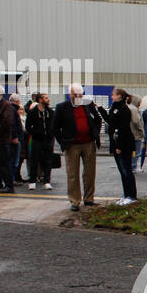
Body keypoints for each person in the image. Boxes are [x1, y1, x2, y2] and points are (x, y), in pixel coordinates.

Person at [52, 83, 103, 211]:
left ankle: (89, 198)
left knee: (90, 172)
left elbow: (97, 119)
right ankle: (75, 201)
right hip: (72, 145)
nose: (79, 97)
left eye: (81, 95)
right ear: (70, 95)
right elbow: (55, 127)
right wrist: (63, 142)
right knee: (73, 174)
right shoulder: (62, 107)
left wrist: (94, 134)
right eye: (76, 95)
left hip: (89, 143)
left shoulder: (88, 104)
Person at [104, 87, 140, 205]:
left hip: (123, 144)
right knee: (122, 170)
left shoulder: (124, 109)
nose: (111, 96)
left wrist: (119, 146)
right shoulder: (115, 108)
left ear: (119, 96)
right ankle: (126, 194)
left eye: (113, 94)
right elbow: (110, 121)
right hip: (116, 143)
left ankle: (131, 195)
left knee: (126, 170)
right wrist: (99, 109)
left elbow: (123, 128)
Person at [25, 93, 56, 189]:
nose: (48, 100)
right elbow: (27, 126)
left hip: (48, 140)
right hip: (37, 140)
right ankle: (32, 181)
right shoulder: (33, 112)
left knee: (48, 160)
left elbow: (54, 125)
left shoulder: (50, 112)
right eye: (46, 98)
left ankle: (47, 181)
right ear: (40, 100)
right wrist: (34, 133)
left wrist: (51, 134)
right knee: (34, 160)